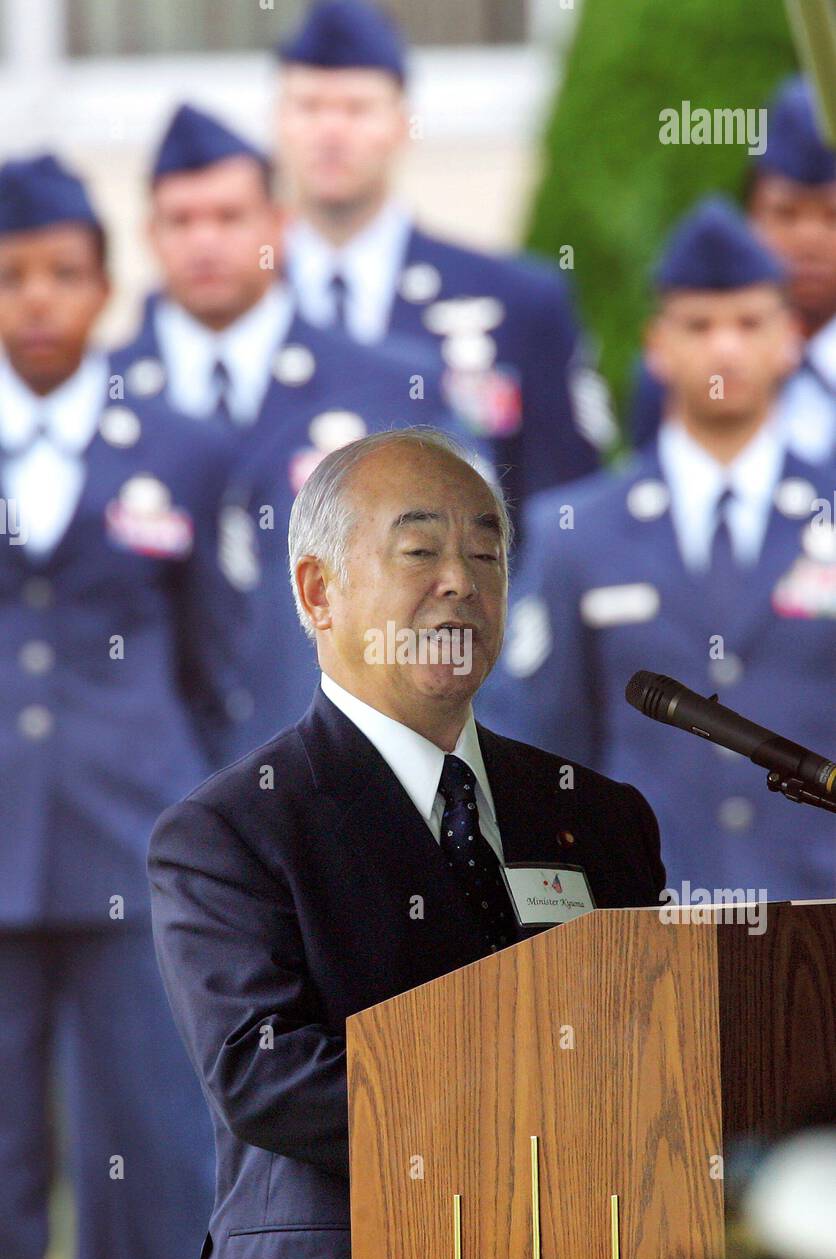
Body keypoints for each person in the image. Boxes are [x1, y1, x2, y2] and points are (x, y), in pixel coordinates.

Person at [148, 425, 665, 1259]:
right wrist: (535, 1110)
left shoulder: (598, 814)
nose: (460, 582)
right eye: (419, 550)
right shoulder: (230, 832)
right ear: (319, 593)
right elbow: (270, 1078)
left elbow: (658, 1033)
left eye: (487, 556)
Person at [0, 155, 248, 1259]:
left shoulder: (179, 447)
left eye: (63, 274)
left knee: (150, 1142)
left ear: (106, 289)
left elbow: (216, 659)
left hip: (130, 848)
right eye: (12, 277)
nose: (38, 299)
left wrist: (196, 808)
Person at [478, 198, 836, 904]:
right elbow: (546, 750)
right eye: (699, 325)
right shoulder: (578, 529)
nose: (724, 348)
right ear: (656, 344)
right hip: (647, 930)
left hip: (821, 924)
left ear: (790, 338)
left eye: (748, 322)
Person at [113, 101, 484, 752]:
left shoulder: (386, 392)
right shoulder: (98, 404)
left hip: (340, 787)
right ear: (150, 236)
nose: (205, 241)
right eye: (181, 220)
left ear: (279, 225)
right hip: (148, 804)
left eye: (229, 217)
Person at [274, 0, 611, 521]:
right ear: (279, 122)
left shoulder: (514, 302)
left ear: (404, 123)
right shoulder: (240, 299)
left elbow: (564, 506)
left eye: (357, 108)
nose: (331, 131)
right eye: (310, 106)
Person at [632, 76, 836, 464]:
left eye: (832, 216)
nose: (809, 243)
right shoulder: (682, 368)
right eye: (785, 213)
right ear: (752, 216)